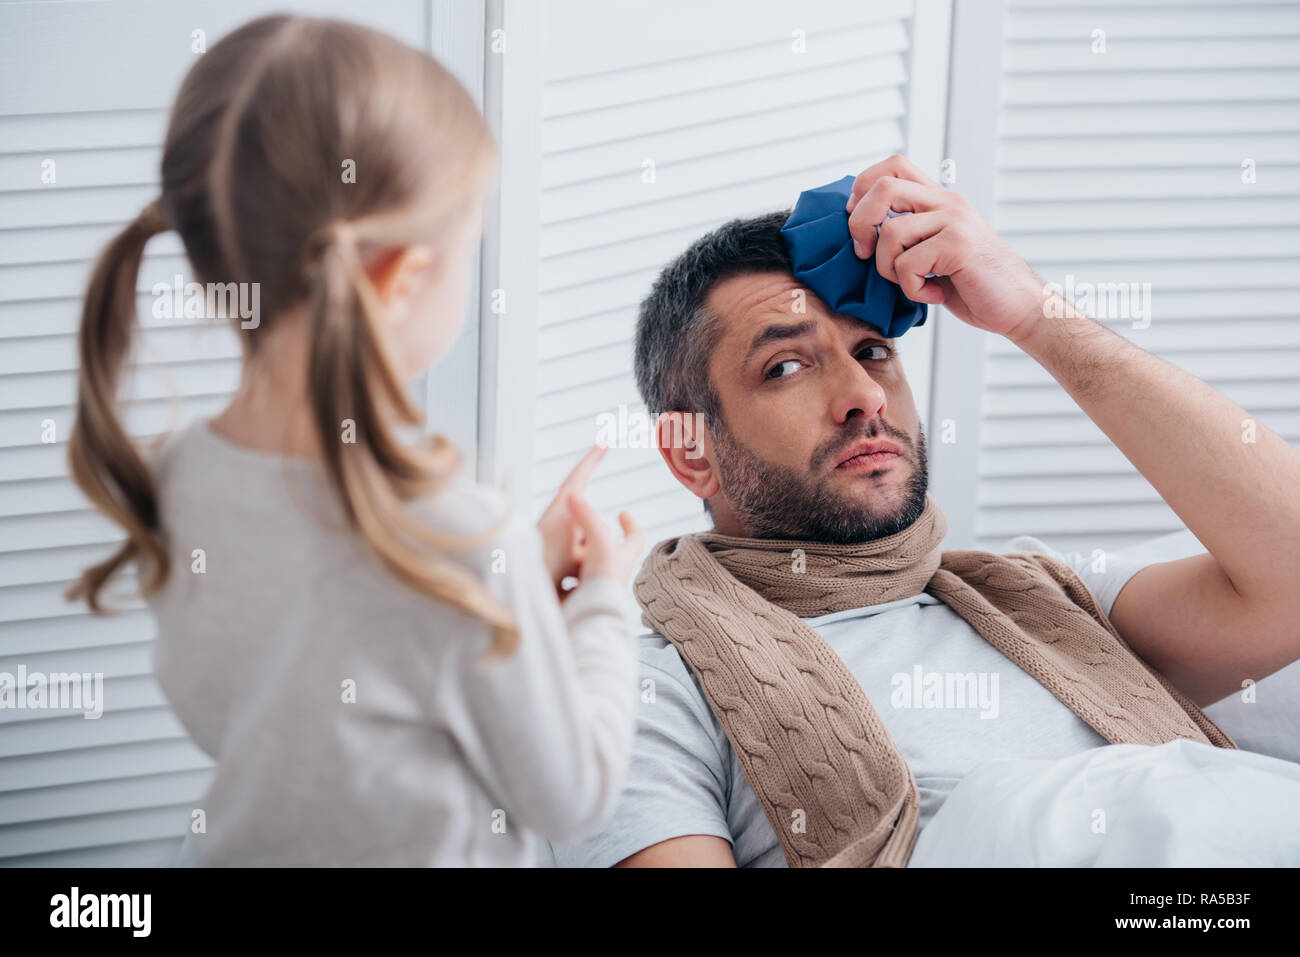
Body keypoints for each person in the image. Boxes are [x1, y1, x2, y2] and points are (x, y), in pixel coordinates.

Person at [548, 154, 1300, 867]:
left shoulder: (1046, 597)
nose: (865, 397)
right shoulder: (647, 691)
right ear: (692, 452)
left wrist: (1035, 317)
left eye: (873, 350)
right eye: (785, 366)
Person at [65, 14, 643, 866]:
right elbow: (571, 793)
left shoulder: (180, 474)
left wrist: (508, 579)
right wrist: (600, 600)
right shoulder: (454, 532)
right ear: (403, 279)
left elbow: (263, 699)